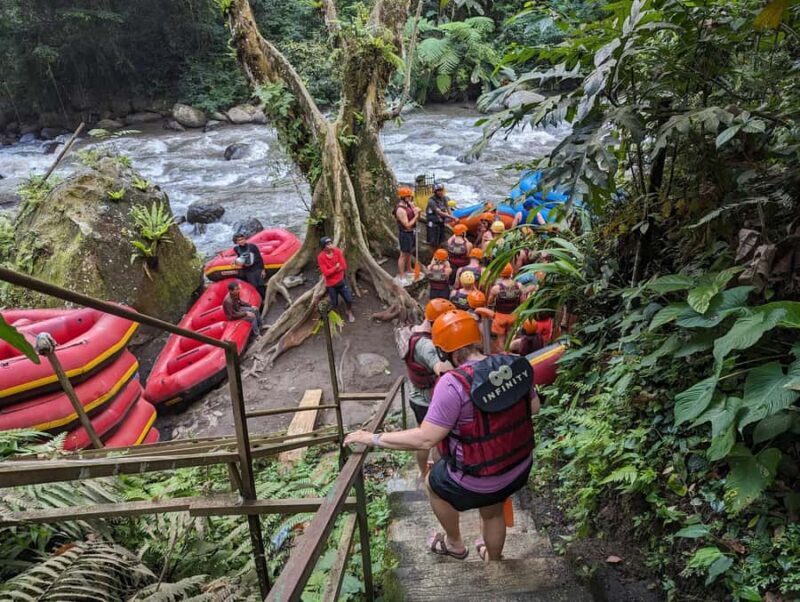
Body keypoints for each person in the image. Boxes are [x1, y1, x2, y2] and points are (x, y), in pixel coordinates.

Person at [345, 309, 540, 562]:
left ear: (443, 351)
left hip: (479, 479)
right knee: (492, 511)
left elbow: (426, 439)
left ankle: (455, 544)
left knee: (431, 483)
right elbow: (534, 408)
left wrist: (373, 438)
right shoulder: (512, 363)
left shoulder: (453, 384)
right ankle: (494, 559)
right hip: (517, 467)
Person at [403, 298, 456, 479]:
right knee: (435, 439)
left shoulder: (415, 331)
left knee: (422, 435)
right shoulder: (427, 346)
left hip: (416, 396)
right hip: (428, 400)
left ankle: (422, 471)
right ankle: (436, 475)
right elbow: (440, 369)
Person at [317, 236, 356, 323]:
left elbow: (344, 266)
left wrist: (333, 270)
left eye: (330, 243)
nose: (330, 245)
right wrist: (336, 267)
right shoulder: (321, 257)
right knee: (334, 302)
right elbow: (326, 273)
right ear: (324, 247)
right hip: (331, 285)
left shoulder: (337, 251)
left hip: (341, 281)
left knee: (349, 299)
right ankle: (337, 315)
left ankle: (349, 311)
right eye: (327, 244)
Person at [488, 263, 523, 350]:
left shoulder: (496, 288)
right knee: (511, 338)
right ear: (511, 273)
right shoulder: (519, 286)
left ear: (500, 274)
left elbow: (490, 301)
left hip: (500, 316)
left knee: (500, 339)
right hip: (513, 315)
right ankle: (511, 353)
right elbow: (523, 301)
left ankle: (503, 355)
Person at [396, 187, 421, 278]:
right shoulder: (400, 210)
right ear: (403, 197)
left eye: (410, 196)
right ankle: (402, 275)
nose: (410, 198)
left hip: (412, 232)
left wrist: (418, 213)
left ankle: (409, 268)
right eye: (408, 196)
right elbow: (407, 225)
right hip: (405, 233)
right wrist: (416, 215)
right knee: (403, 254)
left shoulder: (409, 204)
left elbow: (417, 219)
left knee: (410, 252)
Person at [232, 233, 266, 300]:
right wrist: (236, 262)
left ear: (245, 239)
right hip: (247, 269)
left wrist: (263, 270)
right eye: (239, 240)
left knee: (261, 285)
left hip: (257, 267)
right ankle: (260, 299)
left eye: (242, 239)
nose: (241, 241)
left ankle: (265, 298)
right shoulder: (236, 249)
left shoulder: (252, 246)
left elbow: (259, 258)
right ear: (236, 242)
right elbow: (240, 257)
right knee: (254, 285)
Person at [426, 183, 452, 248]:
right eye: (439, 191)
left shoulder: (444, 198)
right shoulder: (431, 201)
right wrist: (453, 218)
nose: (441, 192)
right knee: (433, 243)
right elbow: (439, 212)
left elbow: (448, 207)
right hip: (433, 223)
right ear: (435, 192)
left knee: (441, 240)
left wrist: (451, 217)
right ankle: (433, 255)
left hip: (441, 222)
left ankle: (439, 253)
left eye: (441, 190)